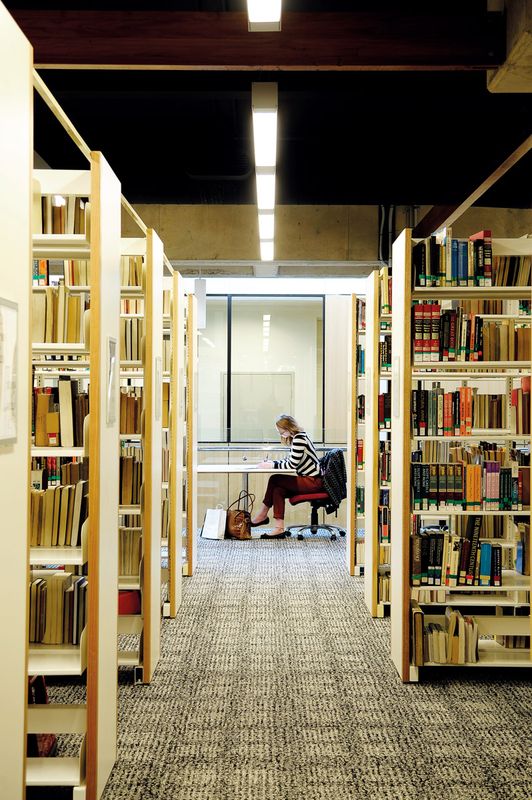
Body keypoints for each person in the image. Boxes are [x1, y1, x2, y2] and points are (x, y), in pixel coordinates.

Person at [251, 414, 323, 539]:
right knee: (278, 490)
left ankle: (262, 514)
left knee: (275, 479)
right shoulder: (298, 437)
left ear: (289, 428)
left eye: (281, 432)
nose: (281, 435)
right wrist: (272, 464)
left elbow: (292, 464)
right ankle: (279, 528)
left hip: (313, 481)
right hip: (309, 479)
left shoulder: (300, 438)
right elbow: (290, 460)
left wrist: (272, 465)